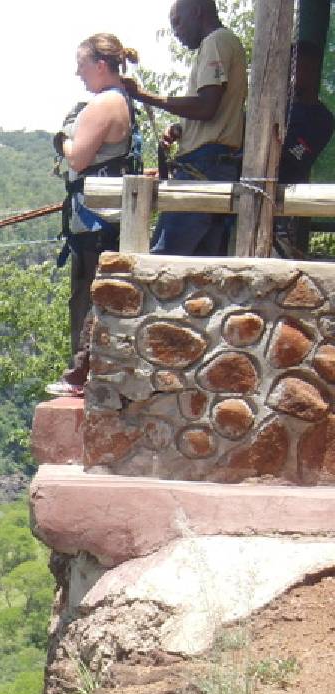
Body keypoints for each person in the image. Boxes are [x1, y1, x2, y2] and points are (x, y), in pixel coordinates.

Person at [46, 34, 139, 398]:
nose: (77, 72)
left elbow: (78, 158)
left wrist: (63, 140)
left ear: (101, 65)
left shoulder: (105, 104)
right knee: (93, 296)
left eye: (82, 65)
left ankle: (79, 376)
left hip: (96, 220)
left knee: (88, 297)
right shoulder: (124, 100)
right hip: (109, 219)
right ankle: (87, 374)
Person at [125, 0, 247, 256]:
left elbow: (206, 107)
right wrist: (184, 128)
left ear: (197, 11)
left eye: (177, 22)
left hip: (203, 168)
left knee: (160, 262)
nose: (176, 31)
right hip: (217, 166)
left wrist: (144, 96)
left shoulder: (216, 41)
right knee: (201, 269)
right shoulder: (225, 42)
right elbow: (213, 110)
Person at [276, 41, 334, 257]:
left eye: (296, 66)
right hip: (255, 195)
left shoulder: (322, 119)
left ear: (311, 70)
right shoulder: (276, 105)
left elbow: (297, 155)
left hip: (288, 201)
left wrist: (279, 143)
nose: (290, 73)